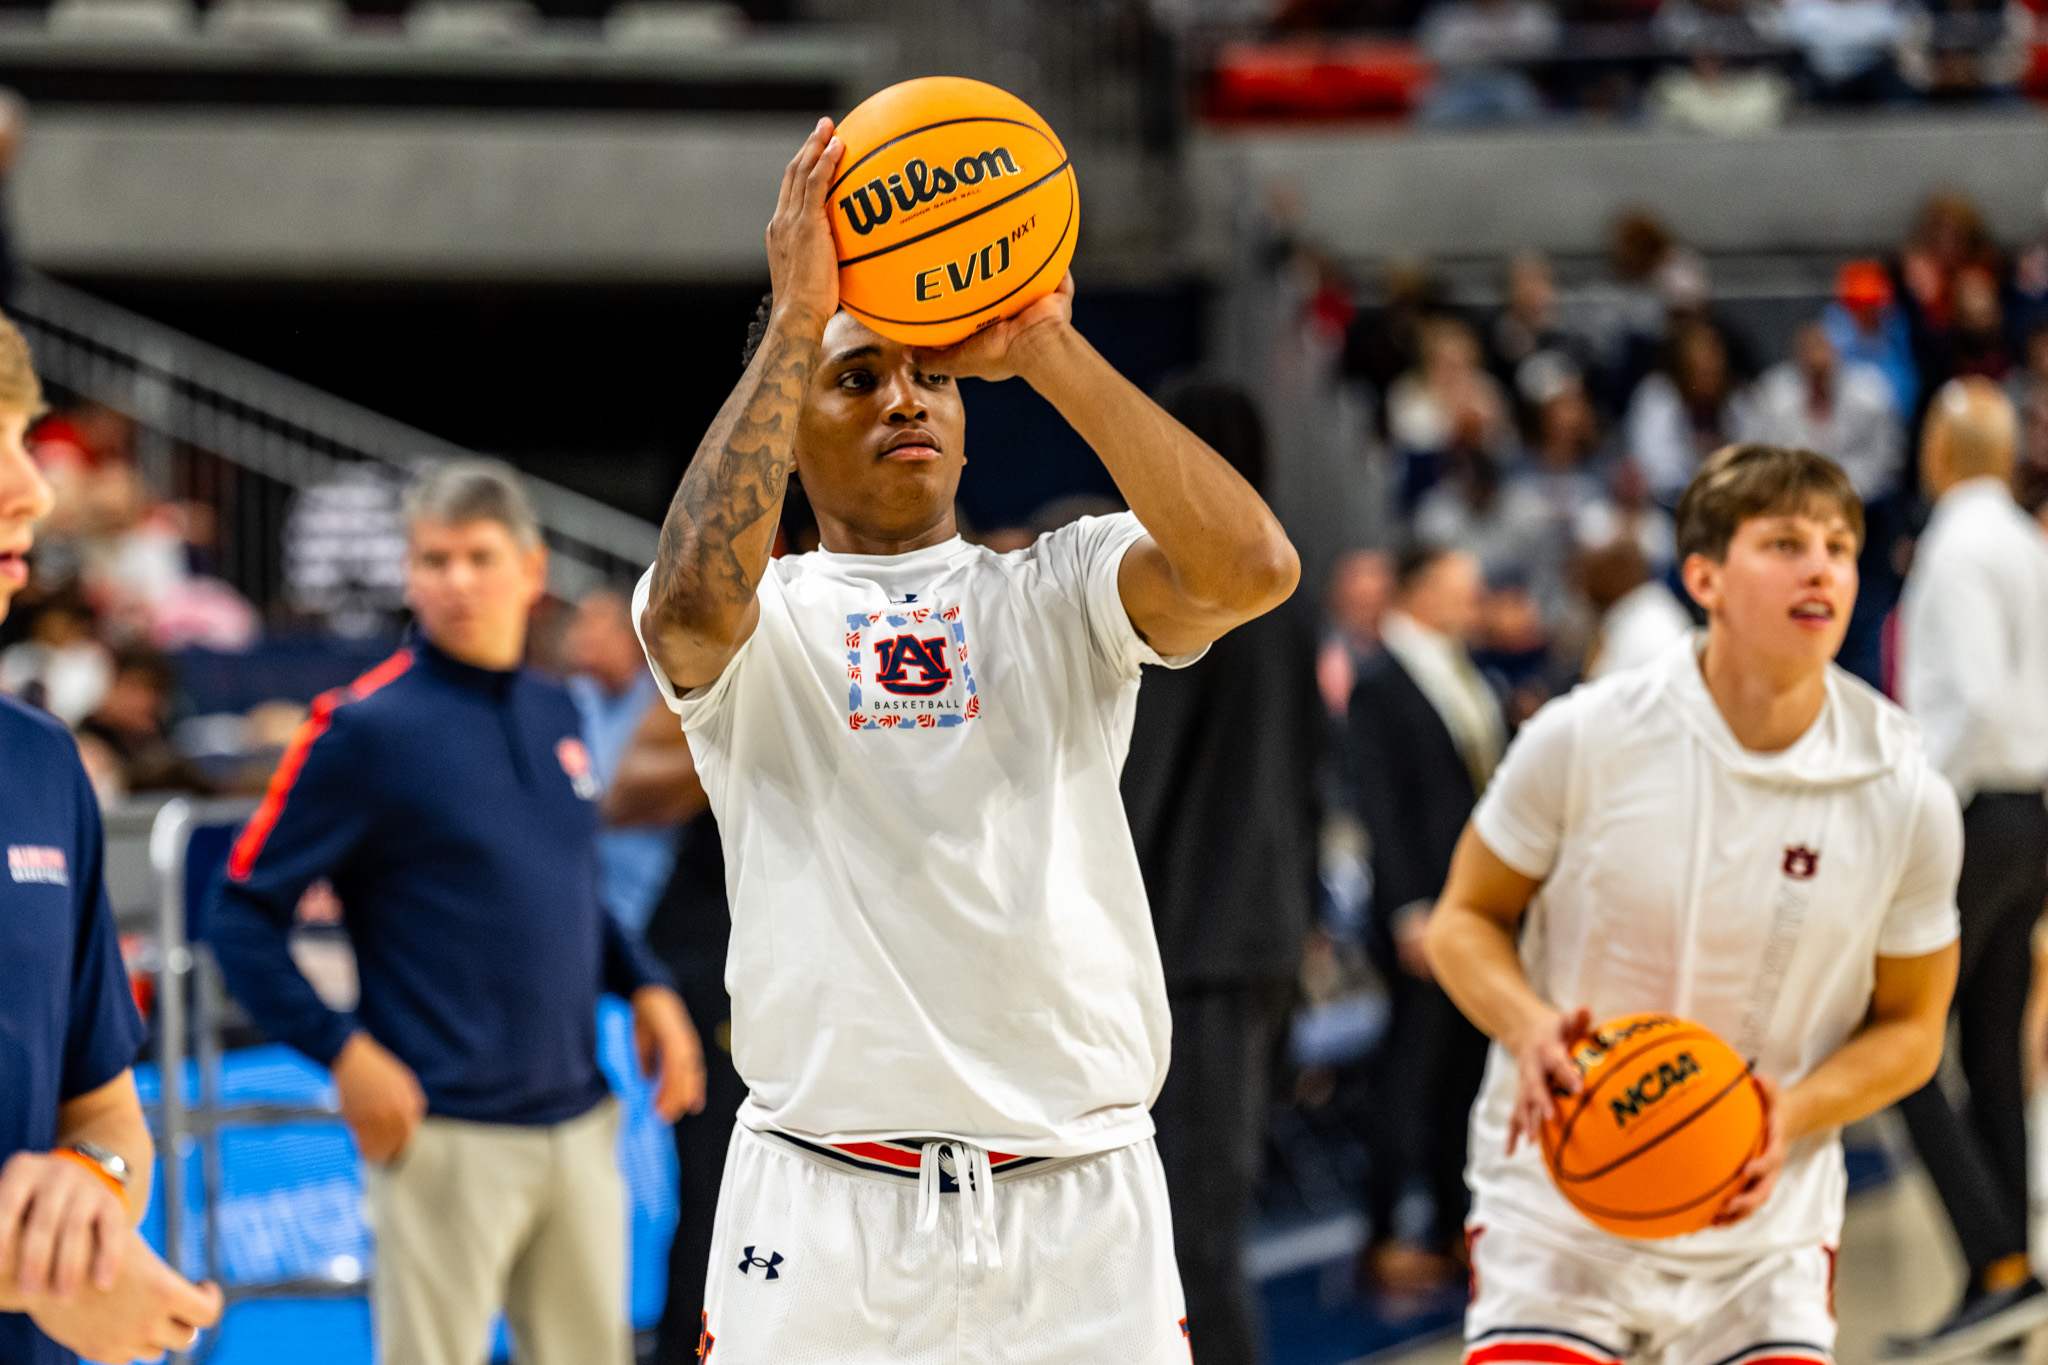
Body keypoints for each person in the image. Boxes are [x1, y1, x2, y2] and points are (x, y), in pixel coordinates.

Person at [632, 119, 1298, 1362]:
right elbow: (683, 614)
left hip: (1077, 1195)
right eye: (855, 376)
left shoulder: (1061, 586)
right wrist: (792, 321)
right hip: (825, 1203)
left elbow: (1253, 567)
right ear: (790, 416)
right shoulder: (753, 614)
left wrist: (1044, 343)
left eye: (927, 375)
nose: (902, 398)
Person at [1426, 442, 1962, 1365]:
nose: (1822, 566)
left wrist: (1785, 1113)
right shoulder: (1583, 735)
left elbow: (1915, 1027)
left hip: (1766, 1233)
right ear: (1705, 576)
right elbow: (1462, 918)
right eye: (1786, 541)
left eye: (1839, 545)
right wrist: (1527, 1025)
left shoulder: (1904, 789)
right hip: (1559, 1208)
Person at [209, 460, 706, 1365]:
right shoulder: (364, 729)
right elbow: (239, 914)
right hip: (442, 1135)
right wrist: (342, 1052)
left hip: (580, 1123)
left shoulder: (558, 708)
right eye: (433, 559)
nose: (456, 580)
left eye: (479, 556)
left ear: (531, 568)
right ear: (408, 573)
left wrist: (647, 986)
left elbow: (566, 886)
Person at [0, 309, 224, 1364]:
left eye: (22, 438)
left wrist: (94, 1189)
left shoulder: (42, 766)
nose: (33, 491)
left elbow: (106, 1117)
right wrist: (34, 1266)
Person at [1120, 377, 1321, 1365]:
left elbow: (1136, 785)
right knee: (1201, 1223)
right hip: (1258, 939)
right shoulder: (1284, 585)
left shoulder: (1188, 583)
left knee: (1190, 1238)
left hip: (1189, 945)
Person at [1889, 379, 2048, 1356]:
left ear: (1939, 449)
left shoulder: (1955, 543)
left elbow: (1975, 701)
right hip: (2026, 812)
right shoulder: (2025, 542)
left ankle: (1992, 1251)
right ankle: (2005, 1272)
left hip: (1970, 809)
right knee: (1988, 1042)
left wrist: (1912, 807)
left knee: (1892, 1046)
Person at [1345, 545, 1507, 1292]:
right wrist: (1411, 908)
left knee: (1463, 1075)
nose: (1471, 601)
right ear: (1415, 592)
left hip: (1476, 903)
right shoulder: (1382, 679)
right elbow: (1382, 804)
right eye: (1456, 588)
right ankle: (1381, 1234)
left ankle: (1453, 1222)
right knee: (1410, 1069)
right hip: (1424, 907)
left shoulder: (1460, 669)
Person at [566, 585, 678, 935]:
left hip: (650, 896)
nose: (584, 641)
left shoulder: (665, 702)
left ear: (629, 638)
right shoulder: (574, 697)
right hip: (581, 891)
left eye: (596, 631)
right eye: (580, 628)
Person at [1741, 321, 1903, 503]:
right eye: (1809, 352)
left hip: (1863, 502)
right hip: (1787, 501)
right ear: (1797, 356)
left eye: (1823, 349)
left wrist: (1841, 492)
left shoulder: (1872, 394)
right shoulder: (1770, 398)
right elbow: (1757, 457)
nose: (1817, 359)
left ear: (1837, 353)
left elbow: (1887, 460)